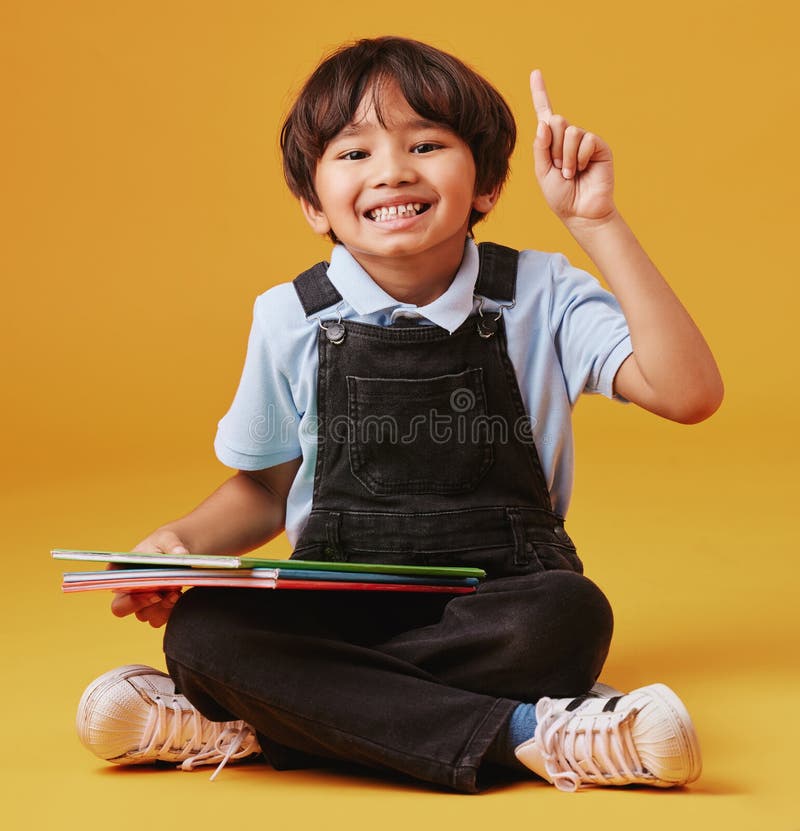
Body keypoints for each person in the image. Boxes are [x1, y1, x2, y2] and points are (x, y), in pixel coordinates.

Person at [76, 36, 723, 793]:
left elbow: (688, 393)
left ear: (485, 181)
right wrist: (179, 545)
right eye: (353, 153)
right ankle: (529, 733)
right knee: (205, 628)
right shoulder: (289, 316)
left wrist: (598, 223)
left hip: (495, 606)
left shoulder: (541, 292)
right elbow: (262, 490)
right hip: (335, 605)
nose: (392, 171)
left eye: (426, 143)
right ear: (313, 202)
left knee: (569, 616)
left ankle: (263, 718)